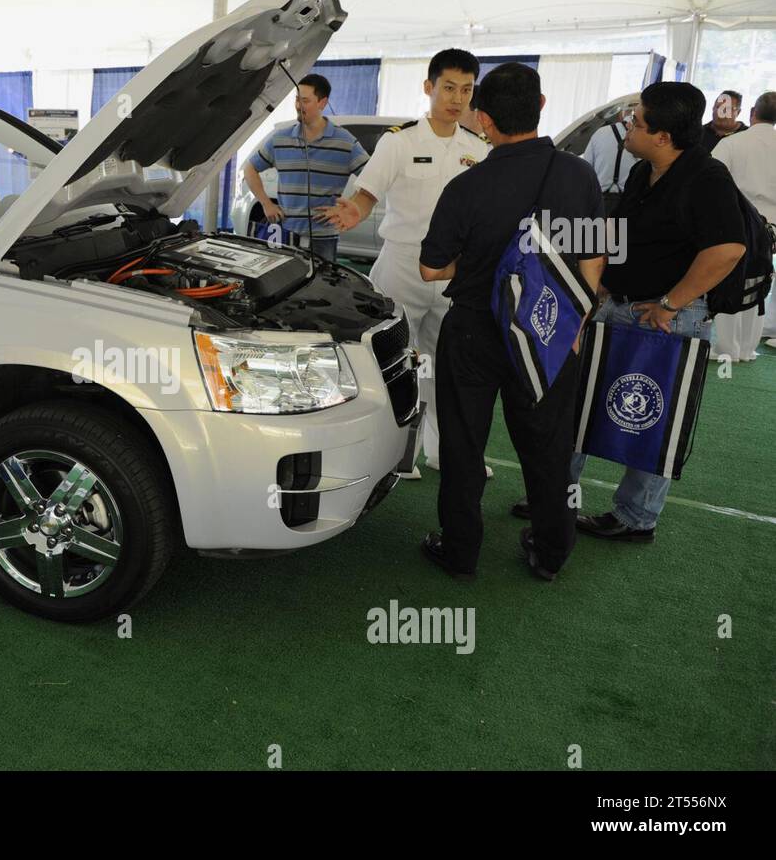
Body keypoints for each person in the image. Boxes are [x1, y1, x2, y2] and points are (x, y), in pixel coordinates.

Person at [414, 62, 605, 580]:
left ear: (483, 119)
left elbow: (432, 266)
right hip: (550, 327)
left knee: (463, 444)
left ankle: (460, 551)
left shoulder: (466, 185)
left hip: (474, 328)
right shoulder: (579, 174)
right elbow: (593, 260)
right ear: (542, 106)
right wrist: (576, 324)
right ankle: (551, 551)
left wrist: (475, 265)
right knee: (547, 446)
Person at [547, 81, 746, 542]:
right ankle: (555, 496)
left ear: (662, 136)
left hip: (670, 317)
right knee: (579, 403)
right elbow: (624, 236)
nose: (627, 127)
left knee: (650, 416)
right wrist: (600, 287)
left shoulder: (707, 178)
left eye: (635, 121)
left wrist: (670, 304)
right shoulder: (645, 170)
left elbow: (727, 250)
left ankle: (635, 518)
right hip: (617, 305)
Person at [314, 49, 491, 480]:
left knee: (440, 365)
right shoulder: (401, 141)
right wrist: (354, 211)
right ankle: (394, 455)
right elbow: (368, 192)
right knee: (391, 362)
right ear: (429, 87)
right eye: (448, 87)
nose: (456, 98)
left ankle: (442, 452)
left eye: (466, 90)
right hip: (404, 264)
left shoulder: (478, 149)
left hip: (454, 273)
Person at [242, 74, 368, 265]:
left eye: (305, 100)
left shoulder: (346, 143)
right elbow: (249, 168)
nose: (299, 106)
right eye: (296, 99)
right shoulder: (279, 139)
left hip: (323, 240)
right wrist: (266, 203)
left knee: (319, 292)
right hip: (285, 236)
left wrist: (349, 205)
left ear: (322, 102)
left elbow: (372, 179)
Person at [711, 92, 776, 361]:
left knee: (730, 278)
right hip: (772, 224)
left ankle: (728, 348)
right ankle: (748, 348)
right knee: (762, 280)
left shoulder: (732, 144)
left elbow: (711, 180)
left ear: (752, 112)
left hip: (737, 220)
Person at [582, 112, 639, 214]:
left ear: (621, 115)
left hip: (600, 203)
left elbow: (585, 171)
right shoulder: (643, 138)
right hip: (628, 205)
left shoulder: (600, 133)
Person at [699, 90, 747, 155]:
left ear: (738, 112)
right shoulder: (698, 133)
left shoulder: (747, 135)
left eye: (727, 109)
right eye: (718, 107)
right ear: (713, 108)